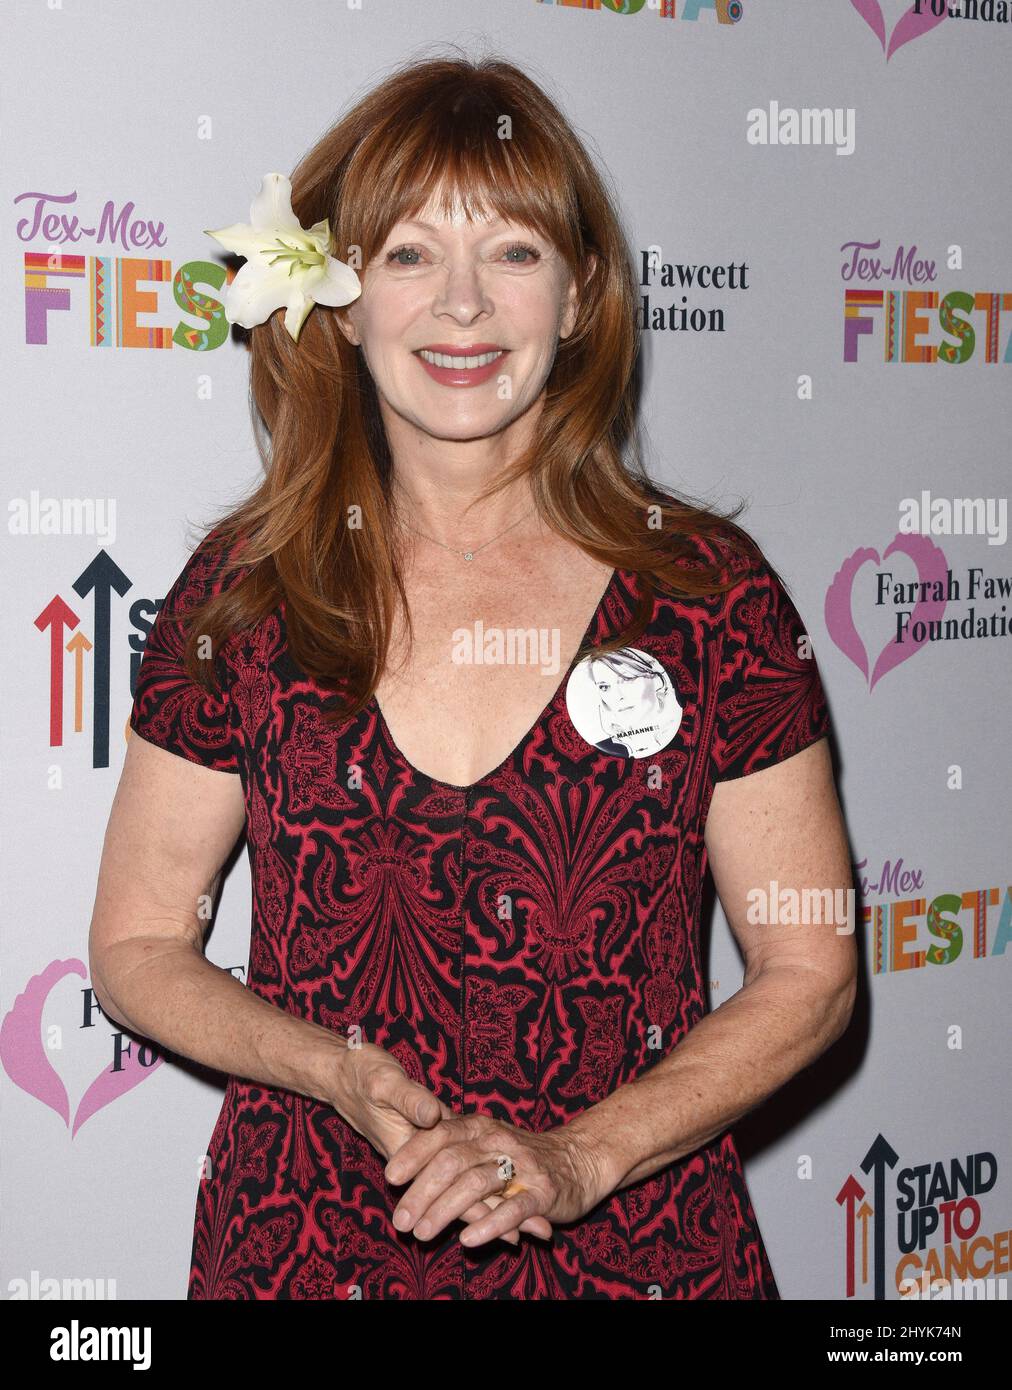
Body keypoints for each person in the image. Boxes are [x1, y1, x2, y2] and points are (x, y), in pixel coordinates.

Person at [89, 52, 856, 1300]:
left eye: (510, 252)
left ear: (576, 295)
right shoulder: (246, 591)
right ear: (337, 301)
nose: (462, 306)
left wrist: (578, 1159)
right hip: (306, 1245)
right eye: (407, 255)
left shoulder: (709, 592)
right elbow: (134, 941)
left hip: (637, 1254)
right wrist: (329, 1068)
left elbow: (811, 971)